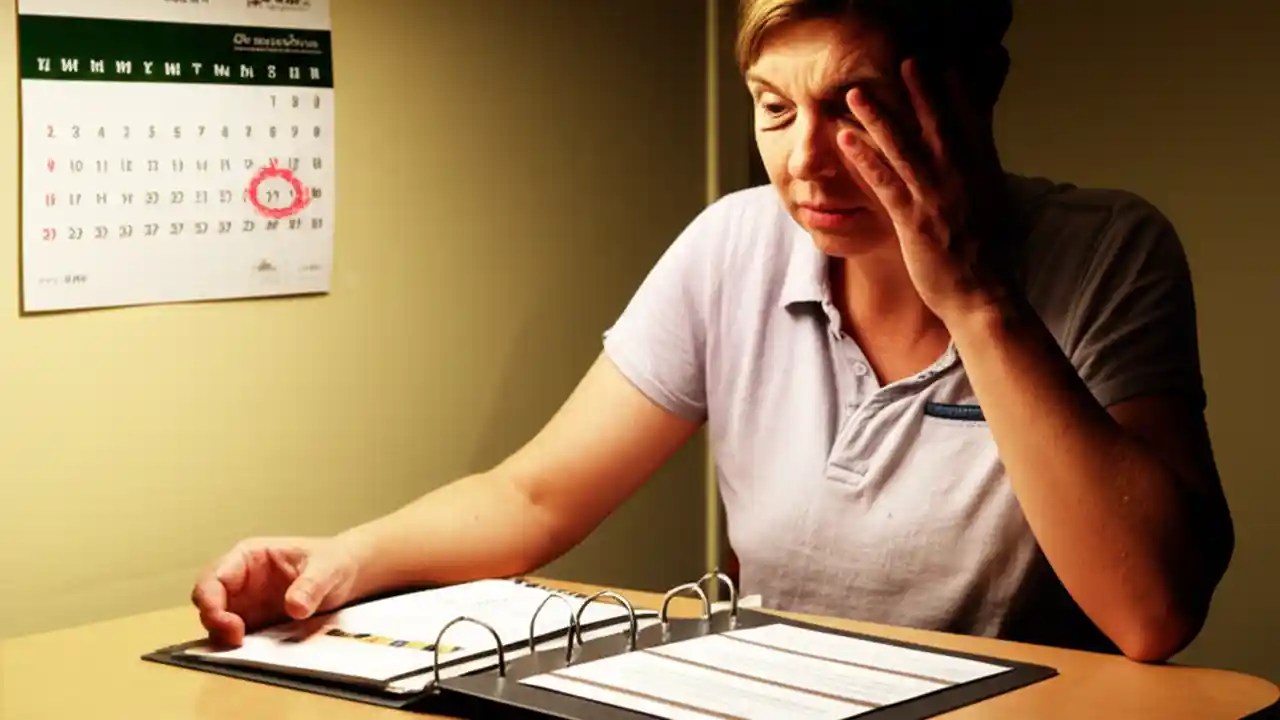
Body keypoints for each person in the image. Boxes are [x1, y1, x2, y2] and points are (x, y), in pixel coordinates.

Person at [192, 0, 1234, 663]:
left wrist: (976, 299)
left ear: (971, 96)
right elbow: (533, 495)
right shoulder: (734, 243)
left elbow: (1152, 614)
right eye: (773, 109)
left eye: (855, 109)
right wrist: (342, 560)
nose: (805, 163)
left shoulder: (1110, 250)